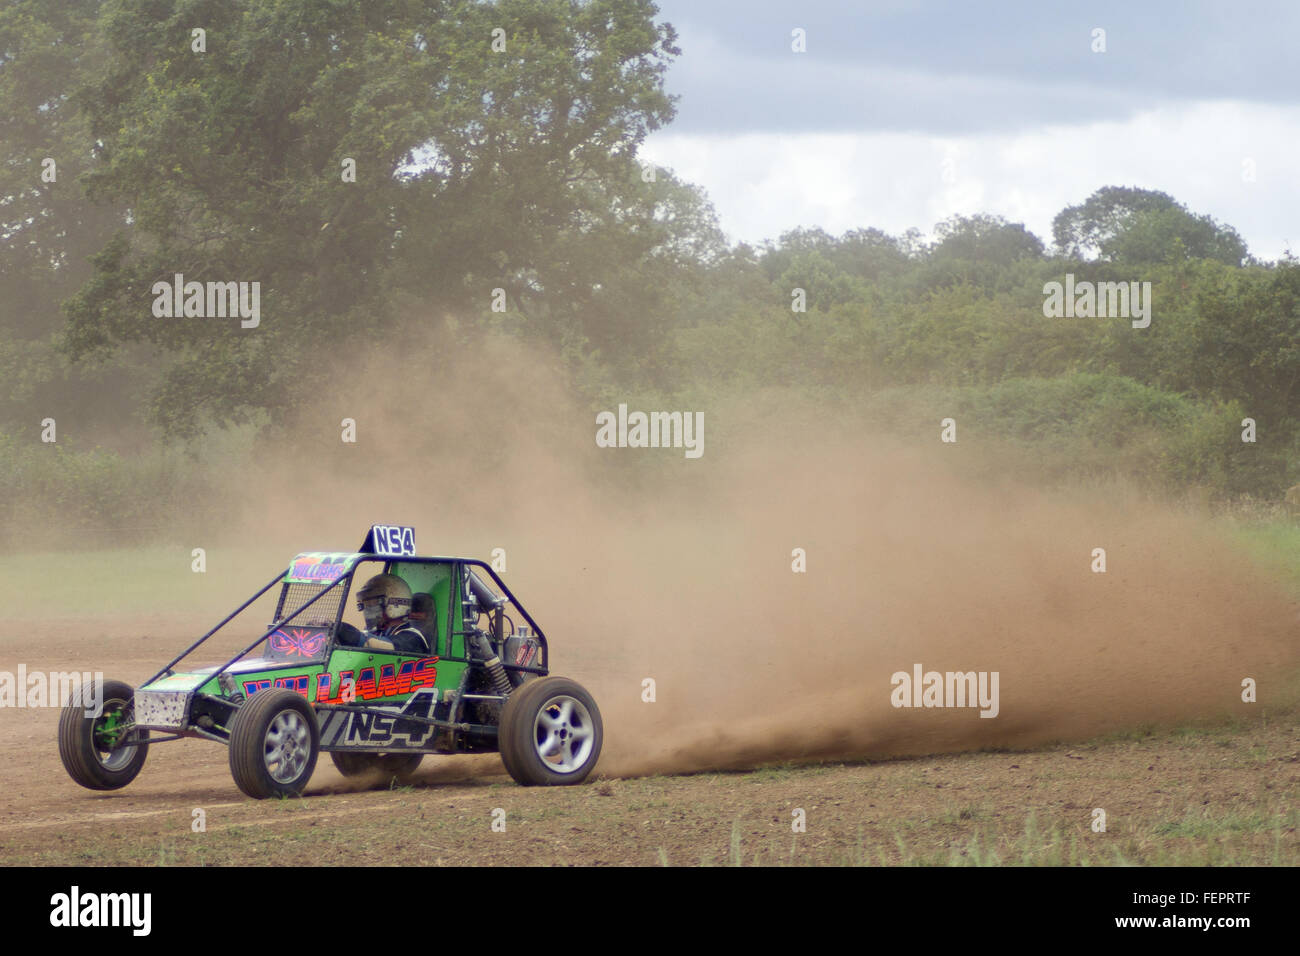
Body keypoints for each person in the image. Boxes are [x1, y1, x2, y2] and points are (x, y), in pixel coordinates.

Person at [338, 573, 429, 655]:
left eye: (372, 603)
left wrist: (346, 632)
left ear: (395, 603)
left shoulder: (412, 638)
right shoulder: (377, 633)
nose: (368, 609)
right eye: (365, 604)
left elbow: (383, 645)